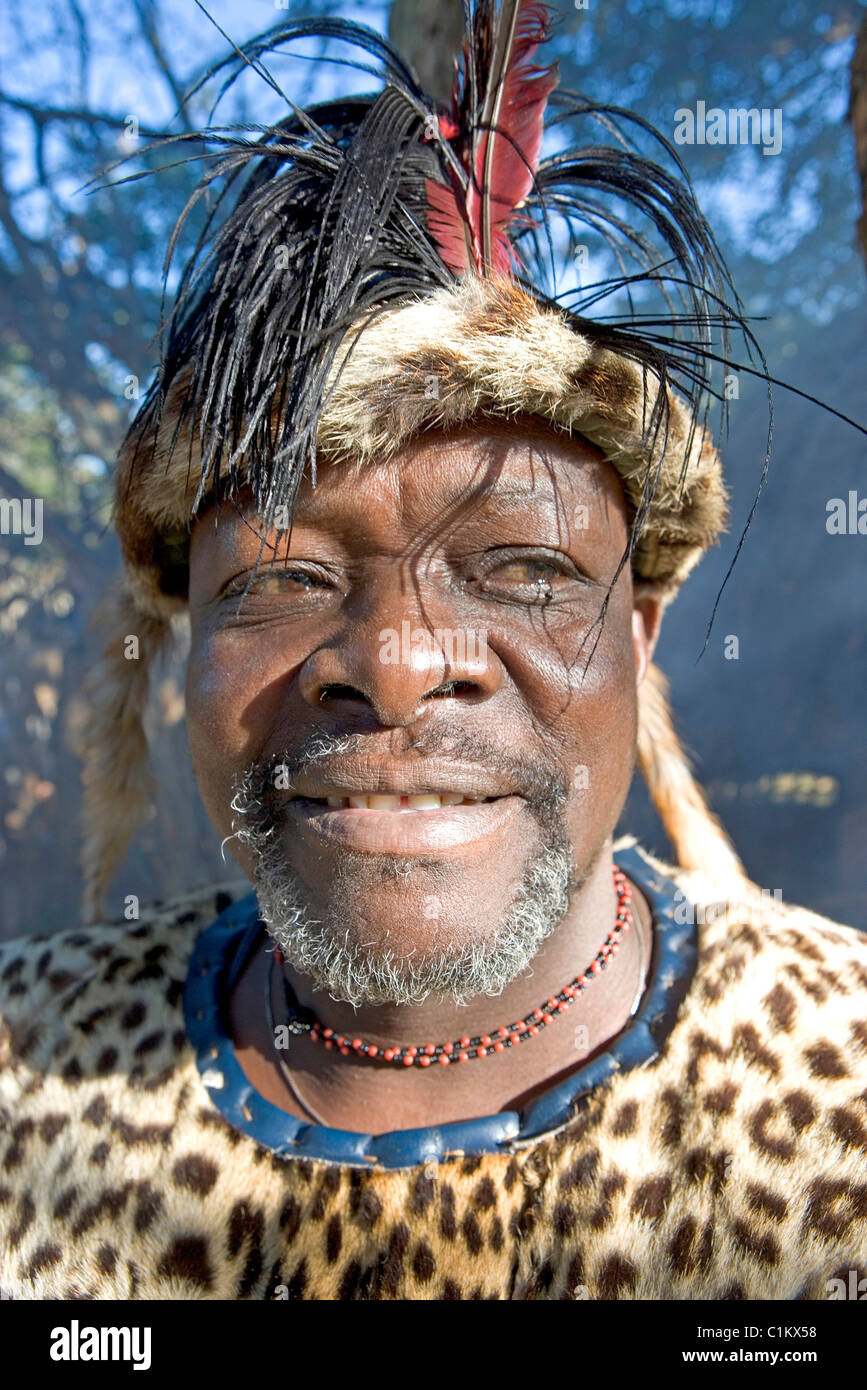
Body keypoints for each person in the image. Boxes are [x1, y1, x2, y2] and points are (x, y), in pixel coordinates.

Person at [1, 2, 865, 1301]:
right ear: (185, 637)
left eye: (522, 568)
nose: (398, 660)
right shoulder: (26, 1062)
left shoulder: (841, 1088)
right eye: (287, 577)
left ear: (638, 635)